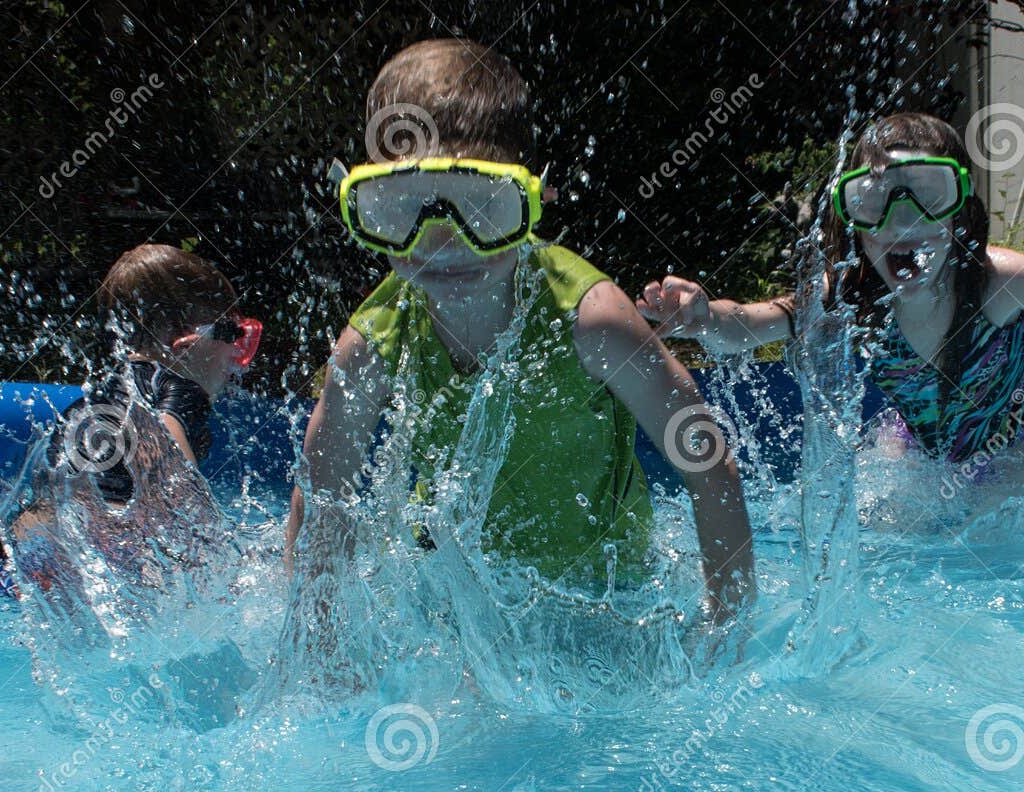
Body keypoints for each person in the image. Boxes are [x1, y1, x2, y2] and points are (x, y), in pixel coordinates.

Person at [286, 38, 755, 624]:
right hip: (453, 605)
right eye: (406, 211)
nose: (443, 245)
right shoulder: (374, 341)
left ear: (536, 197)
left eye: (481, 209)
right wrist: (320, 645)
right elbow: (323, 495)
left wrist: (727, 626)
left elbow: (706, 462)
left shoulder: (593, 322)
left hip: (607, 602)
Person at [636, 112, 1024, 466]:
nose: (900, 222)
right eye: (875, 200)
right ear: (854, 220)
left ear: (959, 212)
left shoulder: (1000, 283)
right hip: (910, 450)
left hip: (1017, 450)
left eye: (928, 195)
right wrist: (704, 318)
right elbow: (748, 326)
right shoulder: (849, 292)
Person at [0, 243, 261, 594]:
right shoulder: (178, 391)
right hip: (91, 559)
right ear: (187, 342)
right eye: (232, 335)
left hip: (16, 559)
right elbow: (181, 493)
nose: (240, 354)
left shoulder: (98, 395)